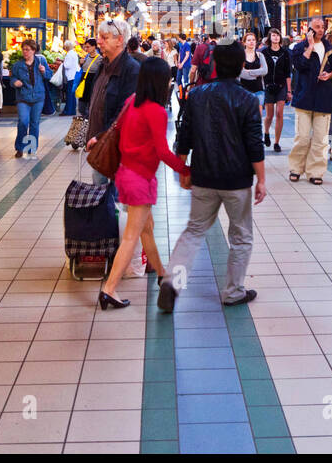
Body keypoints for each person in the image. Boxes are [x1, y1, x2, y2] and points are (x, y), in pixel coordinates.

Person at [158, 39, 266, 313]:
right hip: (237, 180)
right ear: (241, 66)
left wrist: (183, 169)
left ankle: (172, 283)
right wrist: (262, 180)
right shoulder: (248, 100)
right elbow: (255, 145)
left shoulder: (197, 95)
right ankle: (233, 291)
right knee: (241, 236)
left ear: (214, 64)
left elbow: (184, 136)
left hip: (204, 176)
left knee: (194, 232)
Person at [97, 58, 191, 309]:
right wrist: (185, 169)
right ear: (160, 81)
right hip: (140, 179)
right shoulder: (156, 111)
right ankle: (109, 289)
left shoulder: (132, 101)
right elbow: (163, 151)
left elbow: (118, 131)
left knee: (146, 228)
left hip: (126, 174)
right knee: (131, 237)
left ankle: (162, 274)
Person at [288, 17, 332, 185]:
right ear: (310, 30)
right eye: (317, 27)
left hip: (324, 98)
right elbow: (299, 65)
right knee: (302, 137)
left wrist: (330, 75)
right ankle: (296, 168)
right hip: (304, 97)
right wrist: (310, 46)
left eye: (322, 27)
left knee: (320, 139)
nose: (320, 29)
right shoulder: (299, 47)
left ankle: (315, 172)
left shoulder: (329, 48)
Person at [85, 18, 141, 182]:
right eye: (99, 37)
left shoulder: (131, 70)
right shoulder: (103, 65)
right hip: (100, 144)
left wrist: (101, 136)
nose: (99, 41)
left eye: (105, 37)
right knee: (100, 191)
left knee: (115, 192)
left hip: (116, 147)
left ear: (119, 40)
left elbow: (125, 112)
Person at [11, 39, 52, 158]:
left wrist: (44, 71)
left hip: (38, 97)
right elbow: (12, 79)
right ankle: (19, 148)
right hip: (23, 97)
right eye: (23, 49)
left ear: (33, 51)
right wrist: (15, 82)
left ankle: (31, 149)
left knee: (34, 123)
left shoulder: (41, 62)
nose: (25, 52)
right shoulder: (18, 65)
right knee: (23, 122)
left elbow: (49, 75)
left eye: (27, 50)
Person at [261, 28, 291, 151]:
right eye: (273, 35)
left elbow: (288, 73)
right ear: (270, 38)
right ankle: (266, 132)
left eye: (278, 35)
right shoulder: (264, 52)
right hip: (268, 87)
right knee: (269, 115)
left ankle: (277, 142)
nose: (276, 37)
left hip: (281, 87)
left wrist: (289, 91)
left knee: (279, 113)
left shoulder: (285, 53)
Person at [238, 31, 268, 110]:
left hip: (258, 89)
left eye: (253, 40)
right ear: (244, 43)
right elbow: (241, 73)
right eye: (249, 40)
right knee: (246, 115)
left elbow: (265, 71)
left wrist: (249, 72)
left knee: (258, 115)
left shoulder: (260, 55)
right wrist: (257, 73)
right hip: (244, 90)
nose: (251, 42)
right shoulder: (240, 56)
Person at [60, 39, 81, 115]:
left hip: (71, 76)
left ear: (66, 47)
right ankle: (72, 110)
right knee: (72, 94)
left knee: (69, 94)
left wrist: (62, 63)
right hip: (75, 75)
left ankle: (68, 111)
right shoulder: (74, 53)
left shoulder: (69, 54)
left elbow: (67, 65)